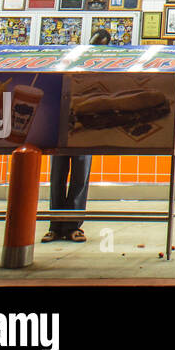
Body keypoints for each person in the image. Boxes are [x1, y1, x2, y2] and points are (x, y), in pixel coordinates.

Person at [43, 28, 112, 242]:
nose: (95, 49)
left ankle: (73, 225)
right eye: (94, 44)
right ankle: (55, 225)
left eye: (100, 45)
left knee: (80, 176)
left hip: (86, 126)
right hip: (62, 124)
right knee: (58, 175)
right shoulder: (72, 60)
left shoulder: (106, 68)